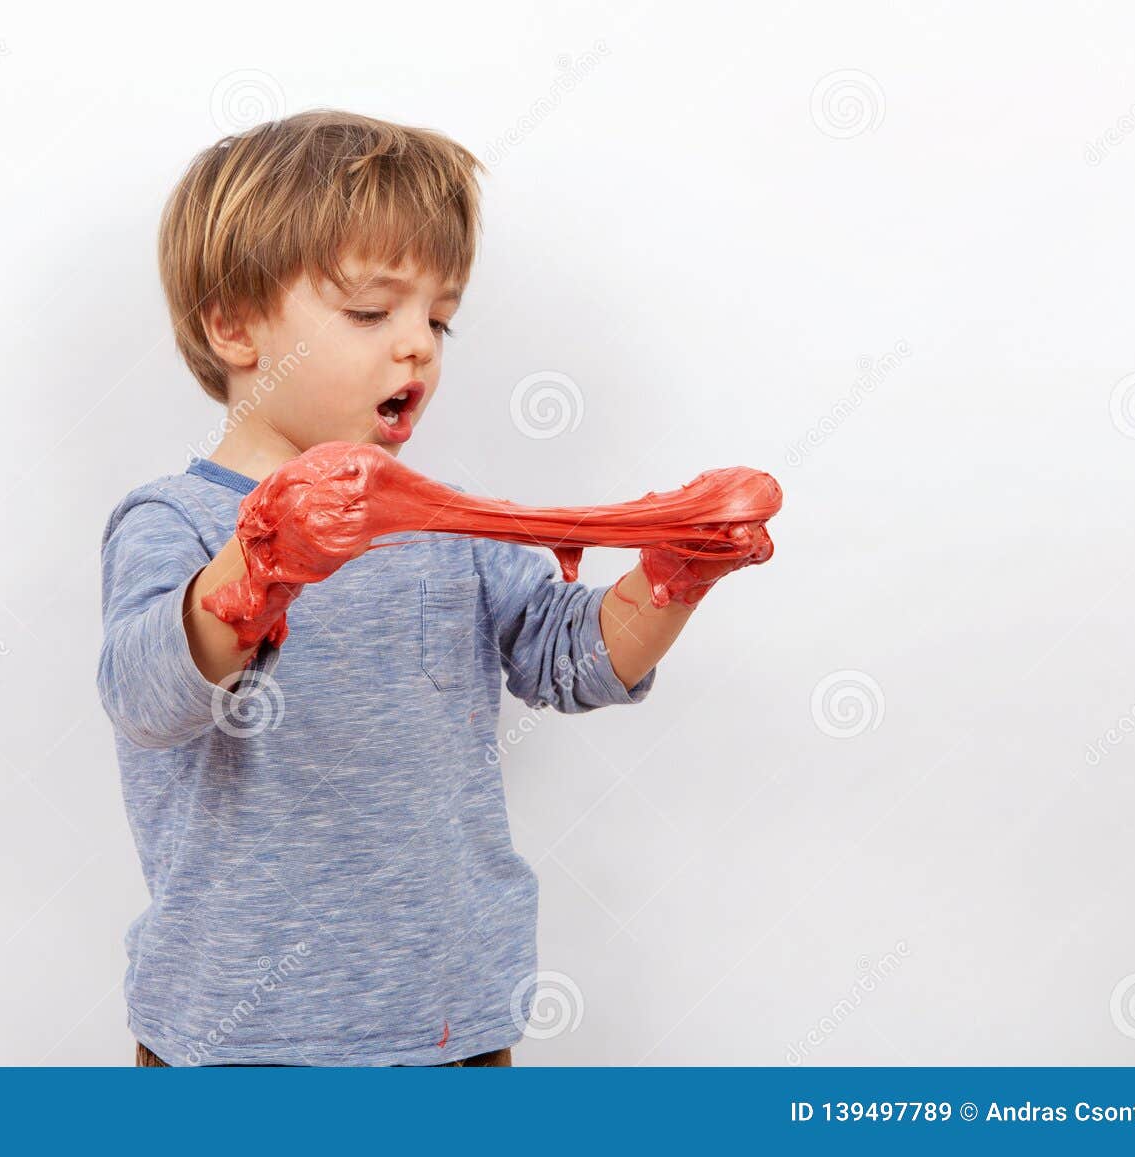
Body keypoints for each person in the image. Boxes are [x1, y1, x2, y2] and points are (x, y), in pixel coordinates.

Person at [97, 109, 767, 1066]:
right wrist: (261, 564)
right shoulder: (177, 522)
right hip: (229, 1036)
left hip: (450, 1025)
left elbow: (568, 660)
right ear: (234, 326)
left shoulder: (445, 523)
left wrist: (672, 577)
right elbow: (145, 696)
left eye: (439, 316)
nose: (417, 345)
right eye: (372, 312)